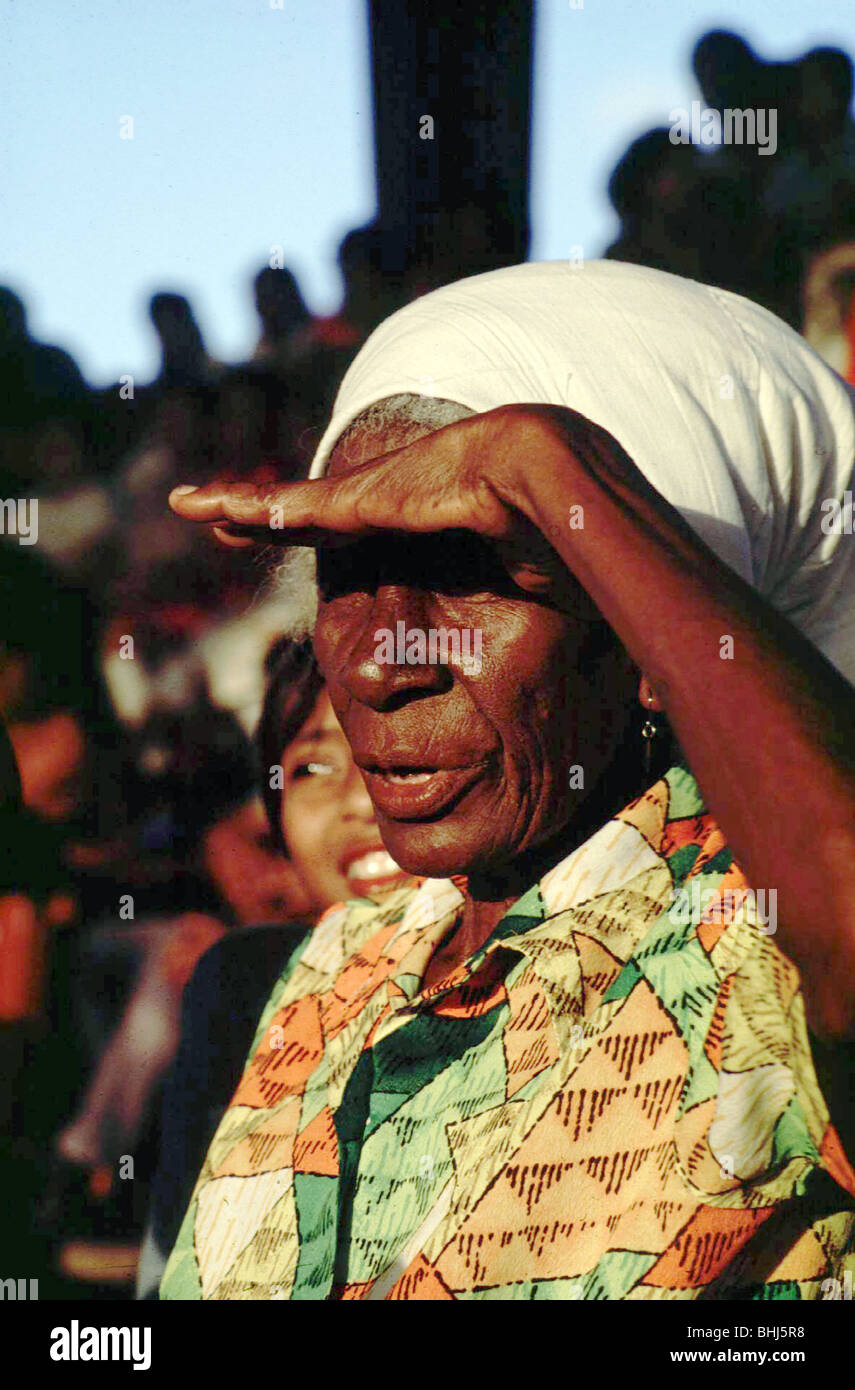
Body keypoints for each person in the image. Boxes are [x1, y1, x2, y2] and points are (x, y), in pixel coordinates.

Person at [162, 260, 855, 1301]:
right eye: (346, 578)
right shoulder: (313, 974)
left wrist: (552, 471)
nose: (376, 664)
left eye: (467, 570)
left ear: (646, 638)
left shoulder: (755, 952)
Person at [135, 637, 408, 1296]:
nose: (355, 799)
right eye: (312, 768)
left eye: (397, 755)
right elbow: (178, 1258)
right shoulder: (250, 981)